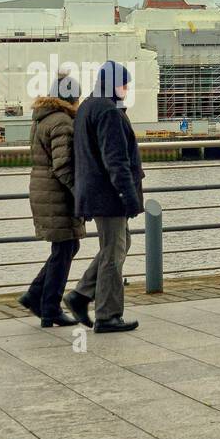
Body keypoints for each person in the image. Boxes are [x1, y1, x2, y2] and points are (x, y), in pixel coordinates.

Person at [64, 60, 143, 333]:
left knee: (120, 244)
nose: (127, 87)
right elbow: (116, 159)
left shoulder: (87, 106)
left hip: (94, 191)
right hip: (109, 195)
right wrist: (128, 196)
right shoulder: (108, 111)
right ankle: (107, 315)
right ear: (112, 84)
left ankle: (81, 294)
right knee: (113, 254)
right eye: (124, 83)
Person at [18, 74, 84, 327]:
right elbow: (63, 164)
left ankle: (36, 296)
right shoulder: (62, 122)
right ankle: (49, 306)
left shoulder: (41, 118)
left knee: (65, 247)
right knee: (66, 247)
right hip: (57, 194)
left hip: (42, 189)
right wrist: (79, 194)